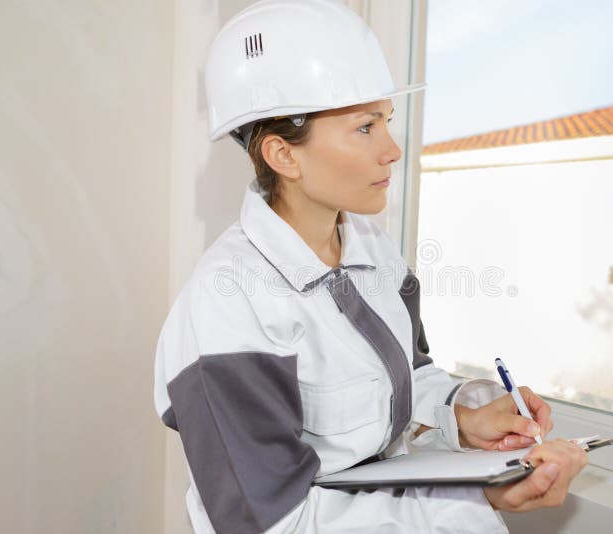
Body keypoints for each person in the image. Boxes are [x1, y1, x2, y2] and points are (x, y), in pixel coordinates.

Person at [154, 0, 588, 532]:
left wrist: (463, 416)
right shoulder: (226, 308)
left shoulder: (375, 251)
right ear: (283, 155)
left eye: (387, 120)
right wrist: (478, 501)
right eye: (364, 128)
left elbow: (409, 372)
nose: (393, 149)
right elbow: (271, 525)